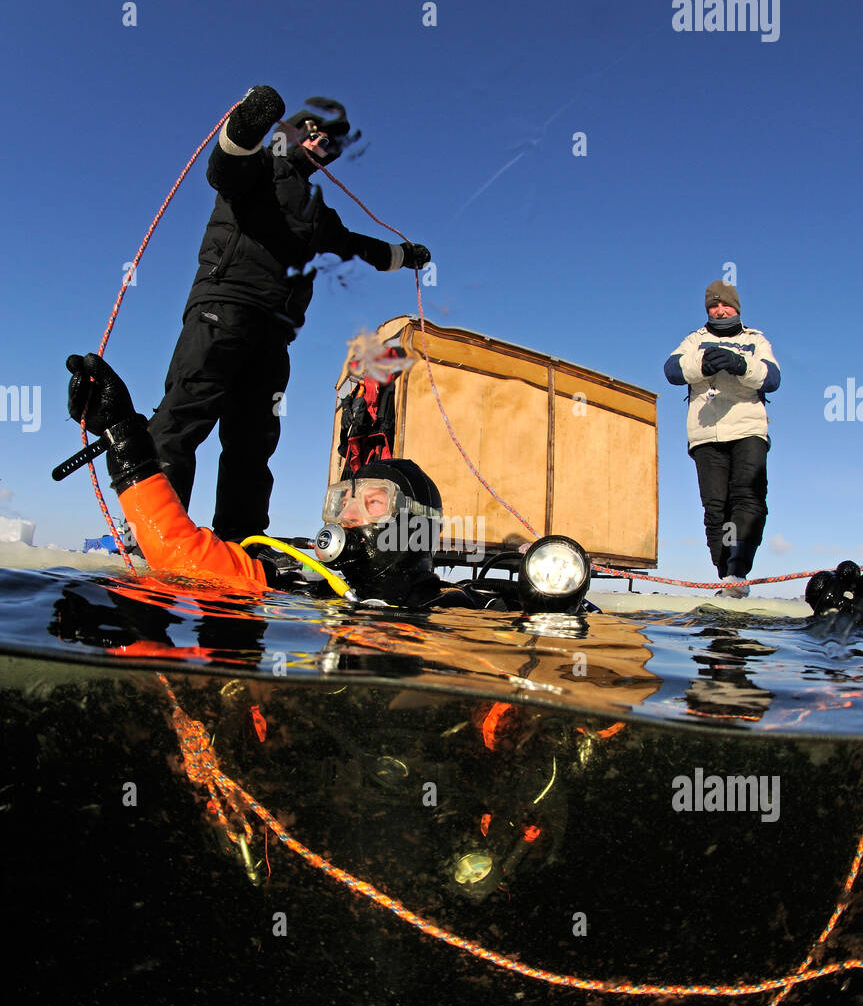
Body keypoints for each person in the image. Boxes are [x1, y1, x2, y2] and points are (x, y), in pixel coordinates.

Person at [67, 355, 574, 613]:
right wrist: (124, 438)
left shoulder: (464, 606)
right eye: (341, 501)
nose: (346, 516)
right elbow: (178, 553)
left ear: (415, 527)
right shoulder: (294, 585)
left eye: (373, 502)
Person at [146, 85, 431, 542]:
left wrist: (405, 254)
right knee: (182, 418)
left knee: (253, 442)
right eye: (314, 134)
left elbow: (358, 246)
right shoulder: (257, 166)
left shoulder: (317, 210)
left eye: (330, 145)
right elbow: (225, 165)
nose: (321, 145)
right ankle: (155, 533)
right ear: (292, 133)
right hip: (223, 310)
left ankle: (239, 544)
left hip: (274, 335)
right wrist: (248, 122)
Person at [664, 280, 780, 598]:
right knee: (715, 508)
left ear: (736, 308)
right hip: (706, 435)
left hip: (748, 430)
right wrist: (701, 363)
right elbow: (672, 370)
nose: (719, 309)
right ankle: (724, 577)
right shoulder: (694, 339)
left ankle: (737, 571)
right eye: (713, 306)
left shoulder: (755, 339)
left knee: (748, 498)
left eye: (725, 304)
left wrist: (741, 364)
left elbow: (772, 378)